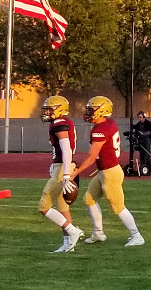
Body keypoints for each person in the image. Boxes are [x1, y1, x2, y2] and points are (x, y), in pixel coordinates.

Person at [72, 96, 144, 246]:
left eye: (92, 109)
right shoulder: (109, 123)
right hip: (105, 171)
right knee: (89, 199)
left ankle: (136, 236)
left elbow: (92, 156)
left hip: (110, 173)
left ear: (102, 110)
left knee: (118, 206)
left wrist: (76, 172)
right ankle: (98, 233)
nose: (89, 112)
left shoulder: (100, 129)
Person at [37, 96, 85, 253]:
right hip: (62, 166)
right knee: (63, 208)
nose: (46, 112)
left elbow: (67, 150)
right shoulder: (59, 123)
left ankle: (73, 231)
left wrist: (65, 175)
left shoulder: (60, 123)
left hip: (64, 168)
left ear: (58, 109)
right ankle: (68, 244)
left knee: (44, 206)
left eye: (49, 109)